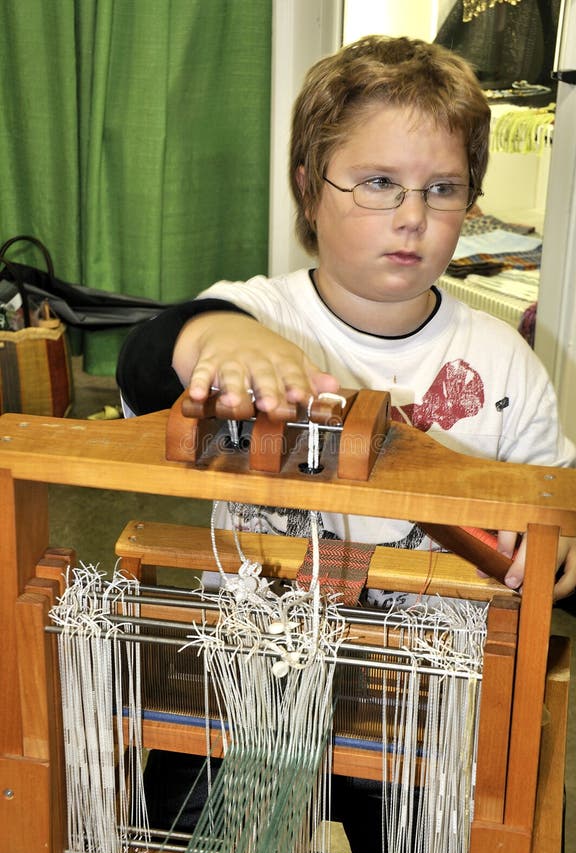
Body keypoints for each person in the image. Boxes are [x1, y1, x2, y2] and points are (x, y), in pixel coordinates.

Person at [118, 34, 576, 600]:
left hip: (430, 673)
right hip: (258, 666)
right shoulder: (258, 316)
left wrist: (561, 530)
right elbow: (142, 369)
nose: (413, 216)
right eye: (379, 183)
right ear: (309, 190)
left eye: (442, 188)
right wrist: (217, 336)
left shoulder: (508, 362)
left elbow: (554, 496)